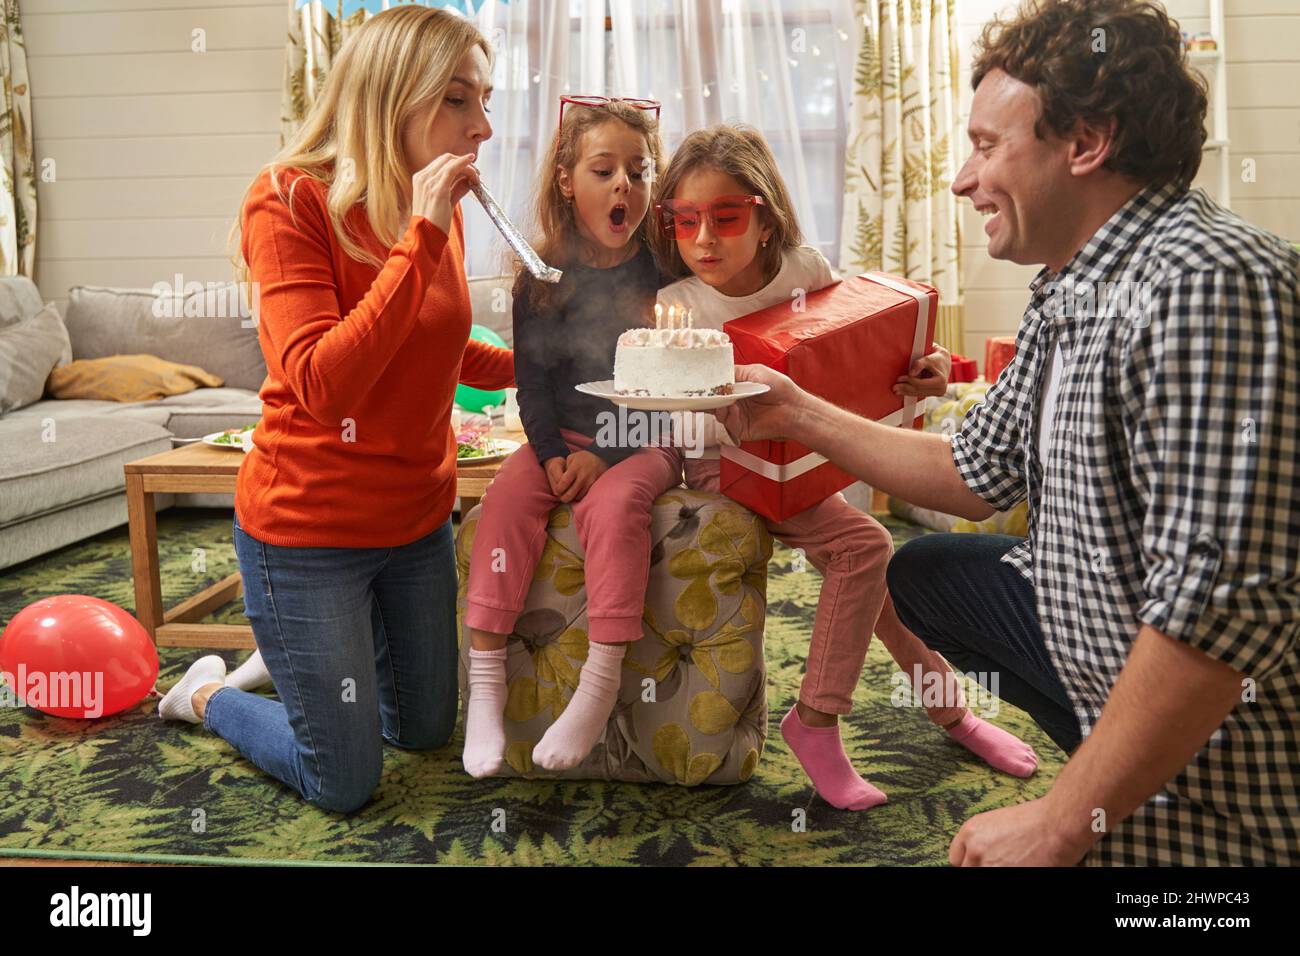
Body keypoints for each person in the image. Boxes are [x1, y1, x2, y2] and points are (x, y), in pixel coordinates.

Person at [717, 0, 1298, 865]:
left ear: (1087, 141)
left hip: (1232, 804)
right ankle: (1112, 755)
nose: (960, 178)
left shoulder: (1207, 285)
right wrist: (792, 411)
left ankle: (1130, 791)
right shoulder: (1070, 288)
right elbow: (973, 467)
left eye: (988, 145)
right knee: (925, 574)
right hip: (1101, 630)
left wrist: (1062, 821)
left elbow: (1219, 608)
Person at [157, 6, 514, 814]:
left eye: (485, 100)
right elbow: (323, 383)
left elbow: (442, 350)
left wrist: (557, 362)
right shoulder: (289, 200)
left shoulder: (438, 206)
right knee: (344, 782)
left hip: (417, 522)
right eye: (458, 99)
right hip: (309, 530)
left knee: (423, 731)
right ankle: (212, 693)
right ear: (393, 94)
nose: (483, 126)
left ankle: (301, 662)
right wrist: (417, 237)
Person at [649, 124, 1037, 812]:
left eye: (725, 218)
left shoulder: (808, 272)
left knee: (877, 587)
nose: (703, 238)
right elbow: (674, 419)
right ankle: (817, 721)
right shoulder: (683, 305)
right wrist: (729, 403)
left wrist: (930, 371)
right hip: (721, 467)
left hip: (805, 460)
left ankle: (952, 714)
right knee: (868, 546)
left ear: (764, 218)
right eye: (684, 222)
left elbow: (858, 352)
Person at [460, 97, 684, 777]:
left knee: (615, 507)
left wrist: (601, 456)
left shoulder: (662, 276)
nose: (625, 186)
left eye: (639, 173)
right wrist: (555, 456)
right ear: (567, 181)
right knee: (502, 500)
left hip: (645, 441)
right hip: (559, 435)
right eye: (604, 170)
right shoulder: (539, 279)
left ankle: (599, 684)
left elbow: (668, 387)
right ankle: (487, 693)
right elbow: (531, 385)